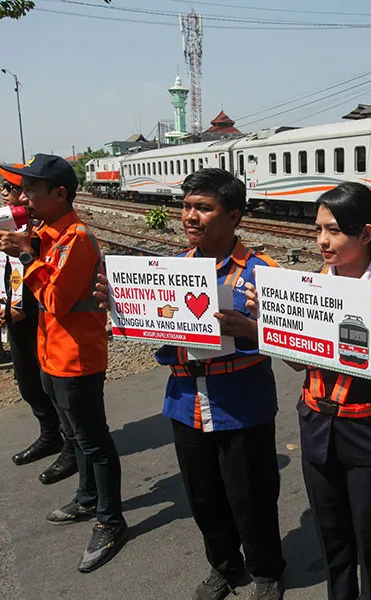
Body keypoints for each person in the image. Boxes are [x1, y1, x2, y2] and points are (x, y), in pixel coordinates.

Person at [94, 168, 286, 600]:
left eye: (203, 207)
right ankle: (223, 566)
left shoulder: (264, 273)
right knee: (203, 497)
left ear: (234, 215)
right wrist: (121, 311)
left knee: (251, 497)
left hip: (243, 404)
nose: (190, 216)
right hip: (185, 402)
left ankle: (266, 572)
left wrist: (252, 329)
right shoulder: (170, 270)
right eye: (186, 207)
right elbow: (152, 326)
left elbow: (295, 343)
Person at [246, 182, 371, 600]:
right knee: (332, 536)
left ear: (366, 234)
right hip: (317, 425)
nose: (322, 241)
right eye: (318, 229)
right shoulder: (310, 287)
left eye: (334, 230)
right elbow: (300, 363)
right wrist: (273, 325)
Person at [0, 154, 127, 574]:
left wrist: (26, 256)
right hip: (52, 355)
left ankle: (111, 521)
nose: (24, 197)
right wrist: (30, 247)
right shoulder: (47, 234)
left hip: (77, 359)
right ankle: (88, 498)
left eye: (32, 190)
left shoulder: (75, 238)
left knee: (93, 441)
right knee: (74, 435)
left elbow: (55, 300)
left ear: (59, 193)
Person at [0, 165, 78, 485]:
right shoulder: (11, 228)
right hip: (18, 318)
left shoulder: (48, 231)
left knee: (56, 389)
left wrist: (22, 306)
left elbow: (50, 281)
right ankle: (50, 434)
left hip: (41, 318)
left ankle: (71, 445)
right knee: (29, 382)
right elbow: (0, 270)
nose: (10, 194)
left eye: (12, 188)